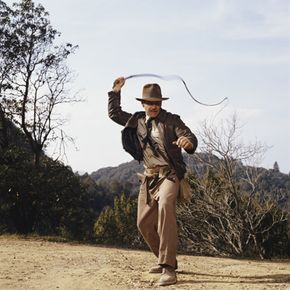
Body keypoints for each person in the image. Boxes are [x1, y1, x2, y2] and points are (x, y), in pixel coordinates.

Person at [108, 76, 198, 286]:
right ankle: (164, 258)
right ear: (143, 104)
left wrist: (188, 142)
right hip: (149, 177)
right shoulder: (137, 121)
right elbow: (114, 114)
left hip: (170, 175)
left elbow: (189, 137)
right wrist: (115, 91)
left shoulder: (172, 120)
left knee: (166, 205)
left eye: (157, 102)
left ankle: (168, 268)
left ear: (161, 103)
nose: (154, 106)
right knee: (143, 223)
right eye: (150, 102)